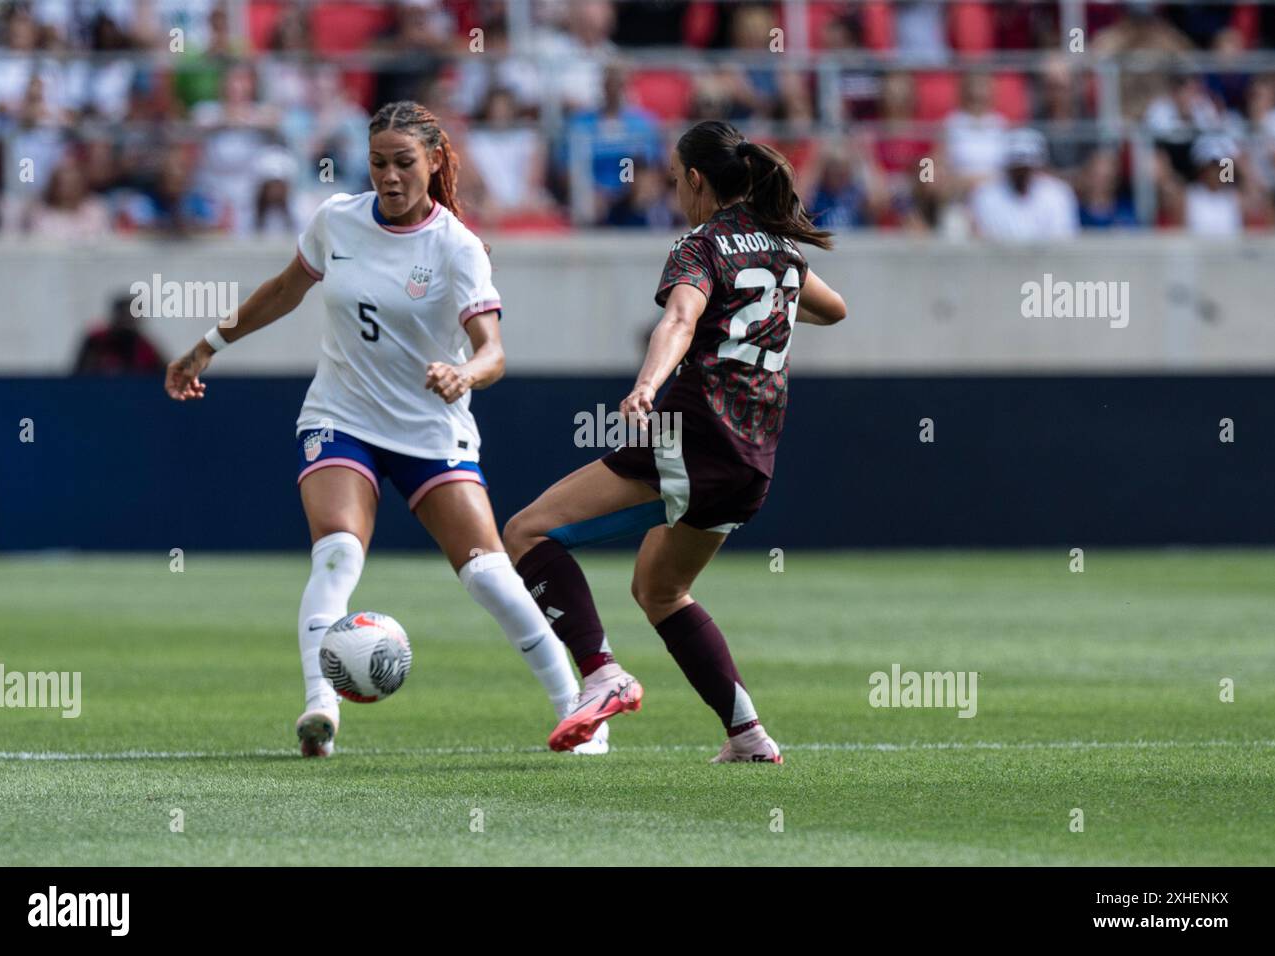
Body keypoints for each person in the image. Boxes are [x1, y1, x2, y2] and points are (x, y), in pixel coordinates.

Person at [163, 101, 602, 758]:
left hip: (429, 426)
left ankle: (578, 712)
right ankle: (320, 707)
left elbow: (494, 350)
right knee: (338, 551)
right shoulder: (336, 220)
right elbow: (286, 289)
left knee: (486, 573)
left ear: (433, 162)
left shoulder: (456, 247)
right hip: (342, 415)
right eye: (378, 163)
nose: (390, 176)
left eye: (403, 163)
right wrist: (207, 345)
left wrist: (466, 376)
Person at [503, 121, 847, 763]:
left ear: (694, 178)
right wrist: (779, 298)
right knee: (659, 589)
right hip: (754, 459)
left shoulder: (702, 243)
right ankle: (748, 735)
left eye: (672, 173)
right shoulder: (781, 251)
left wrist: (645, 383)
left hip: (694, 438)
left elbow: (681, 317)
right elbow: (836, 308)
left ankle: (601, 673)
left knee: (526, 532)